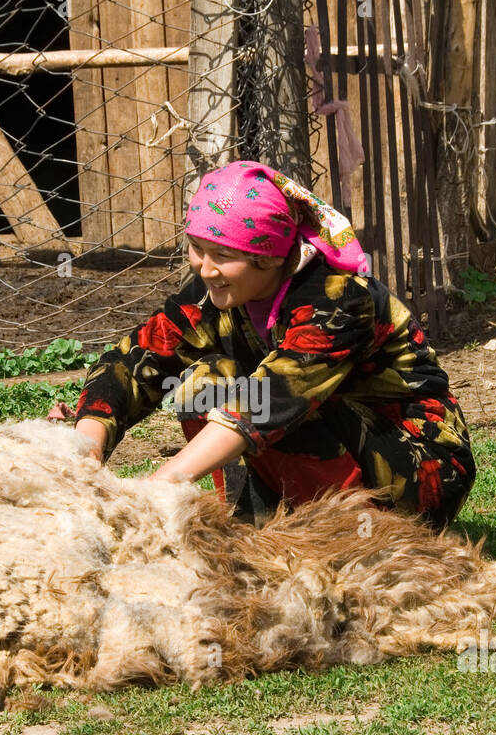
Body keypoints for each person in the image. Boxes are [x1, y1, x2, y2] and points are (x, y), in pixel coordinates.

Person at [71, 159, 475, 529]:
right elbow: (132, 362)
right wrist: (85, 451)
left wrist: (156, 488)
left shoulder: (337, 299)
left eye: (223, 255)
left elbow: (272, 399)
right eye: (197, 248)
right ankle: (253, 523)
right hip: (332, 442)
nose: (205, 268)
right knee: (202, 384)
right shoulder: (214, 292)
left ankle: (354, 533)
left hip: (416, 465)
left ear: (266, 256)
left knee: (252, 398)